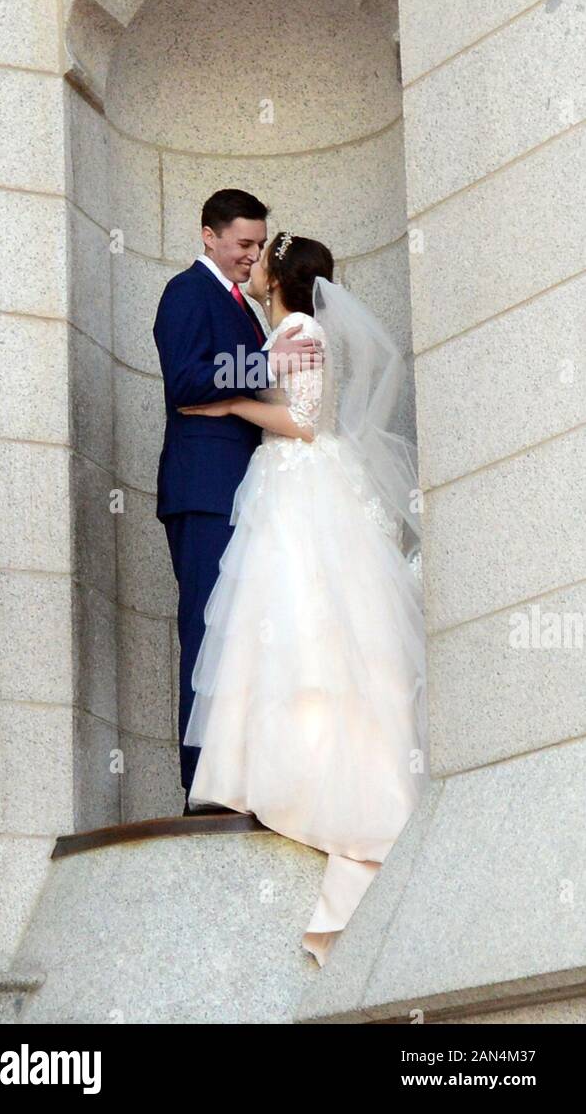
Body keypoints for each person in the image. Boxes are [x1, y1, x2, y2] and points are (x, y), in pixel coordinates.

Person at [177, 231, 429, 965]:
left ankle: (307, 781)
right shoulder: (293, 328)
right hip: (294, 485)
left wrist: (230, 409)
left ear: (280, 275)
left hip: (297, 484)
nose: (248, 269)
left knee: (297, 626)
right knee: (299, 631)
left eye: (258, 262)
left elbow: (306, 421)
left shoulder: (296, 328)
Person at [152, 191, 324, 812]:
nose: (252, 257)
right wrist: (266, 362)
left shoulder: (243, 309)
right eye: (243, 244)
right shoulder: (186, 293)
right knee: (204, 627)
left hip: (246, 492)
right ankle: (201, 786)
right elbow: (187, 379)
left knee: (241, 630)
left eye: (258, 246)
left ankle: (241, 773)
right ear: (208, 235)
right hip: (202, 490)